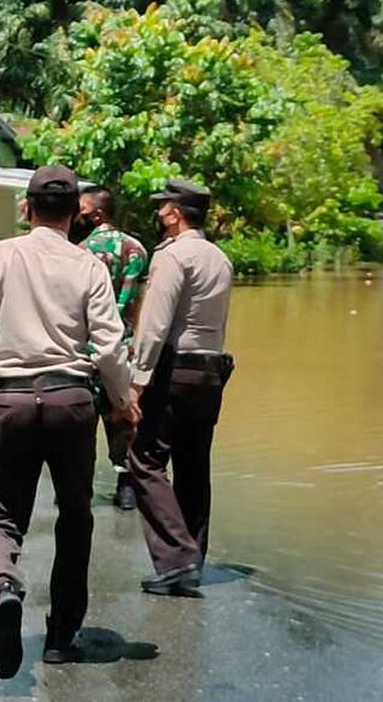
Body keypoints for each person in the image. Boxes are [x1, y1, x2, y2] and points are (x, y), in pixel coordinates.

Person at [0, 165, 138, 679]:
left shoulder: (0, 255)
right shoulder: (88, 266)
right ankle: (60, 638)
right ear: (74, 214)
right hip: (71, 400)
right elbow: (108, 346)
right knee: (75, 515)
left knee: (2, 516)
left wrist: (6, 350)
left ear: (27, 209)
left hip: (9, 398)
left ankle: (5, 587)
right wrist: (123, 400)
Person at [127, 179, 233, 597]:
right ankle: (192, 558)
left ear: (175, 213)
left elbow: (154, 326)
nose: (158, 214)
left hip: (174, 369)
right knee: (194, 465)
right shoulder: (219, 258)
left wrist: (137, 381)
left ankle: (175, 558)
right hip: (210, 369)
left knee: (144, 460)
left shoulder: (173, 257)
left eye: (163, 208)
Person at [73, 185, 149, 510]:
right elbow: (137, 305)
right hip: (124, 346)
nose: (79, 215)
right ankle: (126, 487)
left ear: (97, 213)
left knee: (84, 421)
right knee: (124, 419)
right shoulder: (137, 250)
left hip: (86, 348)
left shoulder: (77, 252)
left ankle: (80, 488)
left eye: (83, 209)